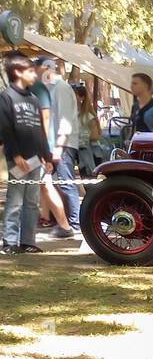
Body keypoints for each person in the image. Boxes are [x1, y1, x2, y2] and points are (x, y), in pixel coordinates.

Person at [1, 53, 54, 254]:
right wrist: (15, 155)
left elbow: (39, 130)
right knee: (15, 201)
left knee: (31, 202)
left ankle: (28, 241)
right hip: (19, 159)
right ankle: (10, 241)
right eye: (30, 71)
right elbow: (6, 129)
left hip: (35, 160)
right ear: (17, 72)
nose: (34, 75)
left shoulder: (33, 99)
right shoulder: (6, 97)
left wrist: (46, 157)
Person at [35, 58, 81, 233]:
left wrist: (59, 147)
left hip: (64, 144)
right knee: (51, 183)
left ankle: (75, 223)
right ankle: (59, 220)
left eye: (38, 69)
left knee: (66, 182)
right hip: (54, 144)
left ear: (47, 68)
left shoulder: (61, 88)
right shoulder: (50, 89)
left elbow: (65, 119)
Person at [72, 82, 105, 173]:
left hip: (91, 154)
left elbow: (95, 136)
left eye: (74, 96)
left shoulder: (89, 116)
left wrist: (78, 136)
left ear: (81, 97)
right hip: (80, 153)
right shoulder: (74, 114)